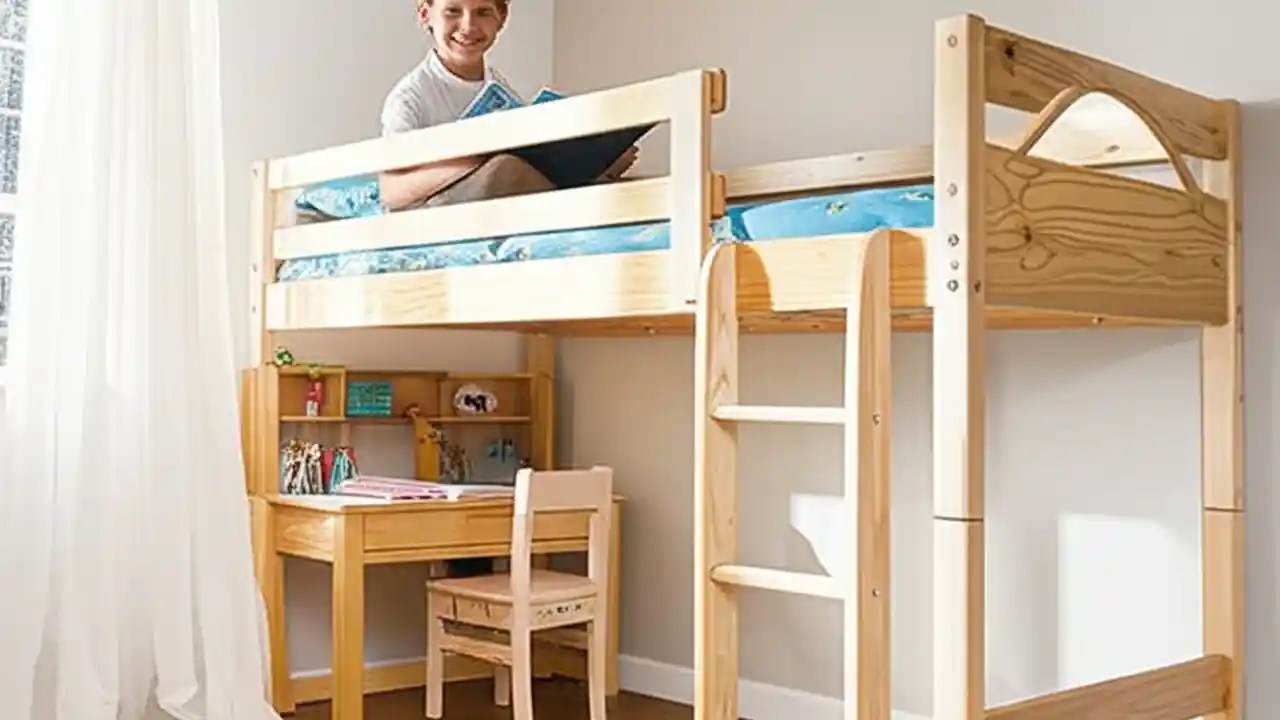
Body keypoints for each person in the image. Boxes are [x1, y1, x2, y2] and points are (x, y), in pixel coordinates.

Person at [378, 0, 638, 212]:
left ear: (501, 19)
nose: (468, 26)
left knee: (624, 186)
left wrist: (595, 160)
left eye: (483, 12)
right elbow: (391, 193)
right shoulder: (411, 96)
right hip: (443, 210)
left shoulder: (497, 85)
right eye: (453, 11)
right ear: (426, 15)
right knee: (504, 169)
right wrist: (475, 157)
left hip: (505, 201)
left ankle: (585, 180)